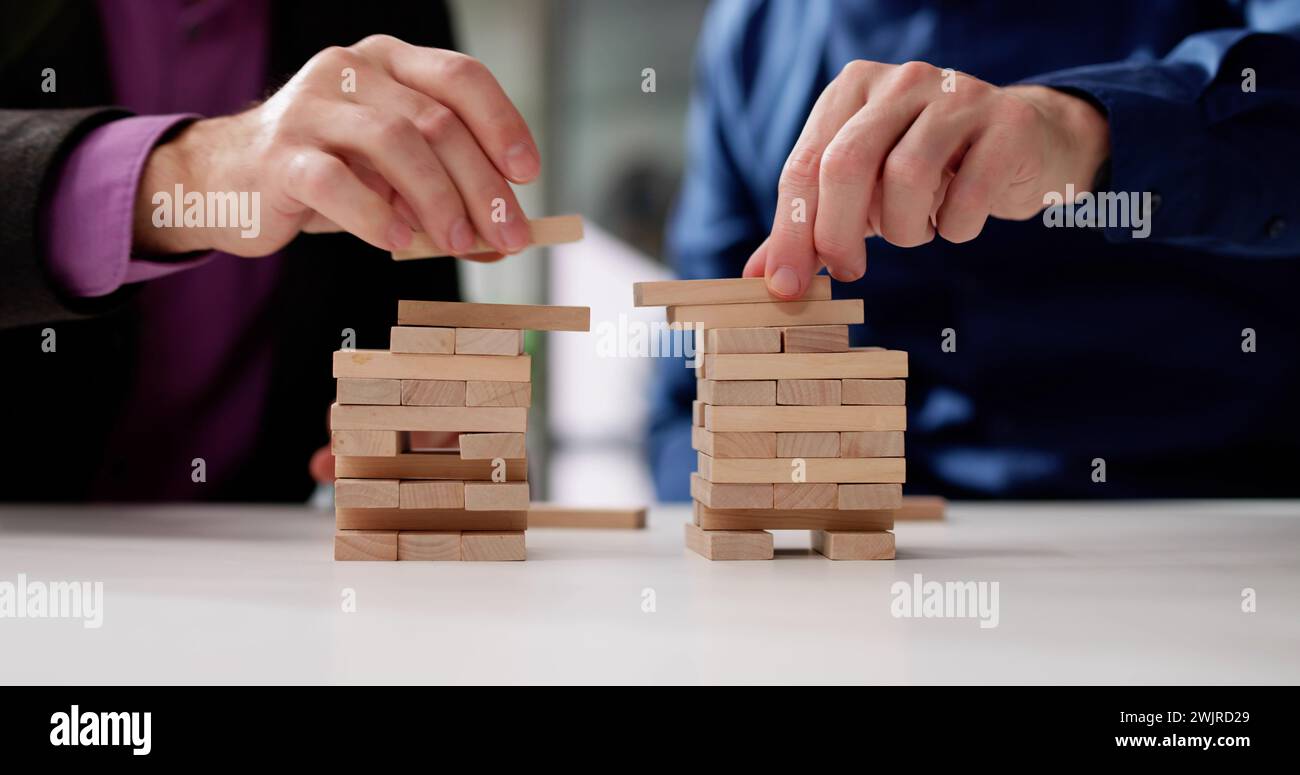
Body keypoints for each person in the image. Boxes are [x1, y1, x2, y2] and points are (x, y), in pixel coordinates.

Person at [650, 0, 1300, 500]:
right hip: (906, 548)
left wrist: (1078, 127)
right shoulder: (756, 29)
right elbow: (692, 389)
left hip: (1231, 511)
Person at [0, 1, 537, 501]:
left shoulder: (387, 12)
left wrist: (439, 443)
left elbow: (413, 327)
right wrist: (187, 173)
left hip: (266, 565)